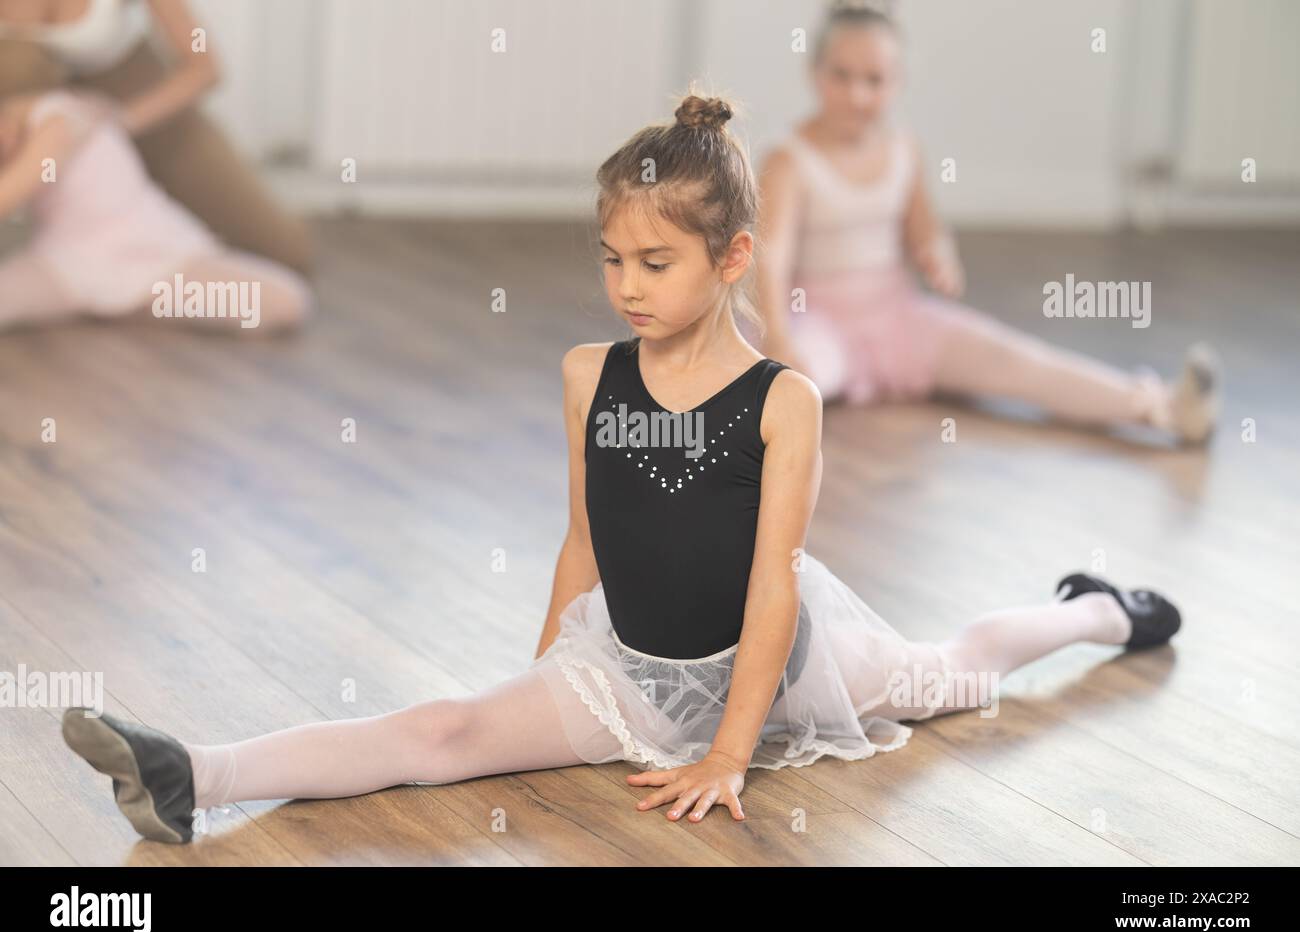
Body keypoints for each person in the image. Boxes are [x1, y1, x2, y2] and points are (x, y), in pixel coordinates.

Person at [59, 90, 1182, 843]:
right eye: (611, 258)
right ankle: (188, 773)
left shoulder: (782, 400)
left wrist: (734, 754)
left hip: (780, 661)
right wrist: (545, 673)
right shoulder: (588, 375)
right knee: (443, 730)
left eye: (655, 260)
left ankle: (1091, 611)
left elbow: (772, 581)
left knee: (959, 673)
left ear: (732, 257)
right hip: (631, 669)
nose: (626, 284)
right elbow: (588, 538)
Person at [753, 1, 1220, 444]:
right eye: (842, 76)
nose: (858, 94)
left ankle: (1163, 407)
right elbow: (771, 256)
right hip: (818, 322)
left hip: (897, 316)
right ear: (814, 73)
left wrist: (939, 256)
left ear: (898, 81)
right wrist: (779, 335)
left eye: (874, 80)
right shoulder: (789, 159)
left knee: (1014, 361)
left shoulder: (904, 148)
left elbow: (925, 231)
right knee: (793, 385)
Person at [0, 0, 313, 274]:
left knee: (284, 251)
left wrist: (118, 122)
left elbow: (205, 68)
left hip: (134, 95)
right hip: (20, 108)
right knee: (18, 58)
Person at [0, 87, 310, 331]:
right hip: (67, 268)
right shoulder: (62, 114)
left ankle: (135, 305)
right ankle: (122, 305)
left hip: (151, 257)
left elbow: (10, 193)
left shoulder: (58, 120)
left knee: (286, 301)